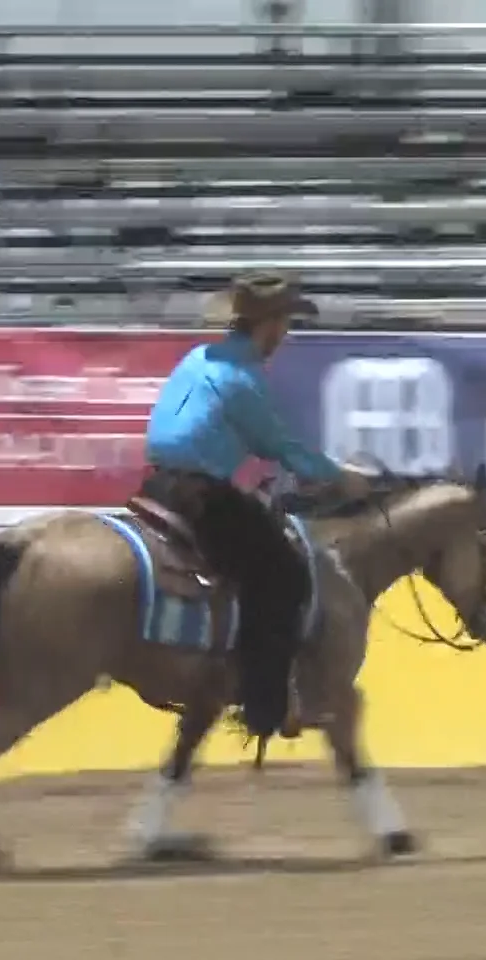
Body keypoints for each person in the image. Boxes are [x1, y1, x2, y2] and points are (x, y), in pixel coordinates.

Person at [142, 271, 371, 739]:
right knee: (284, 572)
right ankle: (265, 705)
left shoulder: (199, 357)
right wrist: (338, 477)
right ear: (268, 324)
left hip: (158, 484)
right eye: (285, 325)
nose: (285, 336)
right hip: (201, 494)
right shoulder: (242, 379)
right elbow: (280, 445)